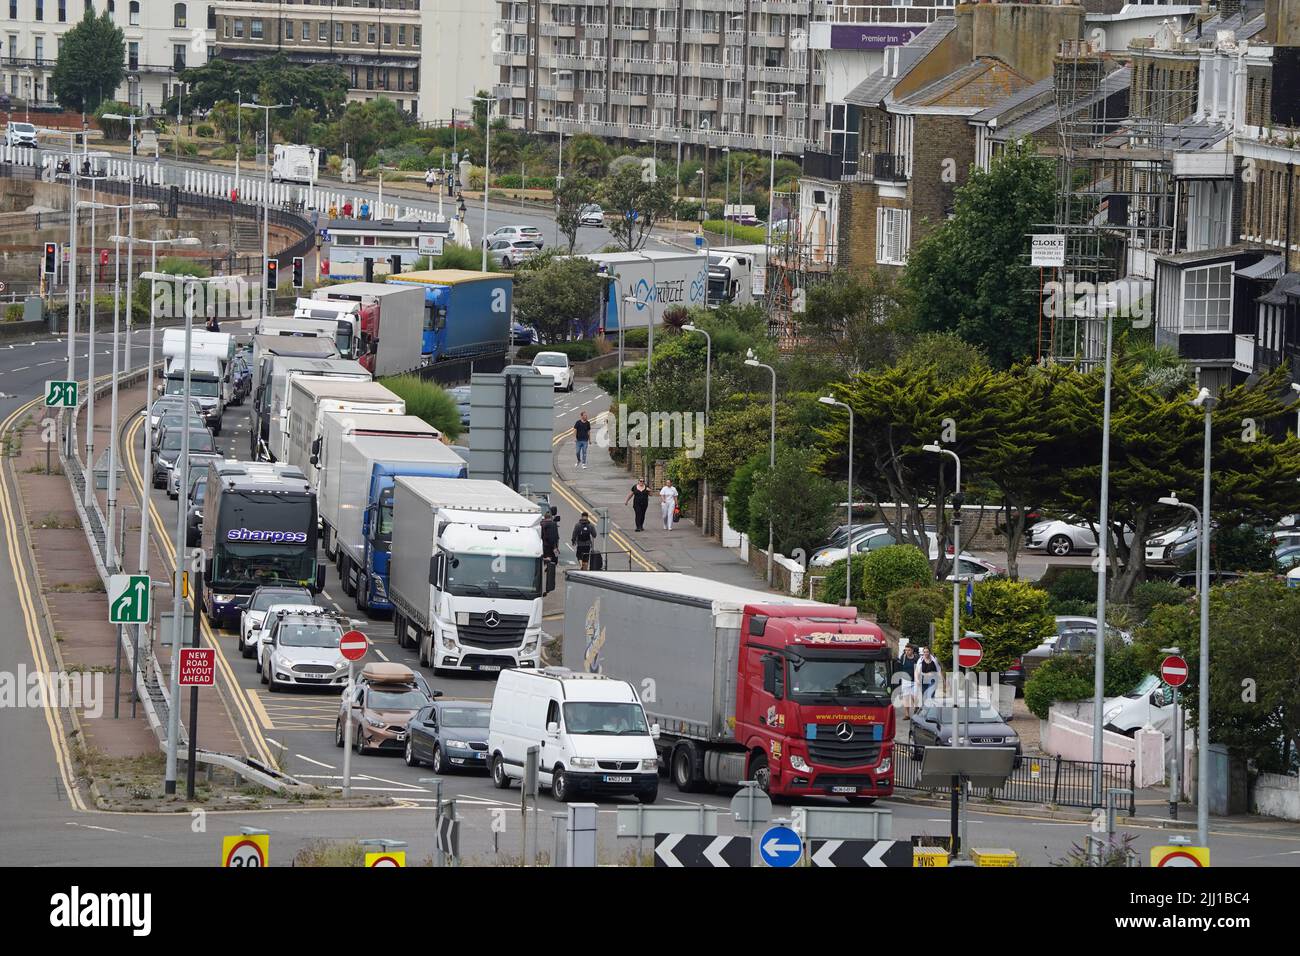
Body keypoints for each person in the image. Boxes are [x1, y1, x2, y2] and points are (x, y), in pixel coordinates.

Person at [896, 642, 919, 719]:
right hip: (905, 680)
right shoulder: (903, 657)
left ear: (912, 650)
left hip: (915, 680)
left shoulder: (916, 658)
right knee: (906, 697)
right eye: (906, 650)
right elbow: (900, 667)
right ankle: (907, 715)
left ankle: (916, 707)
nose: (907, 652)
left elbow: (919, 668)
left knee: (914, 696)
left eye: (909, 650)